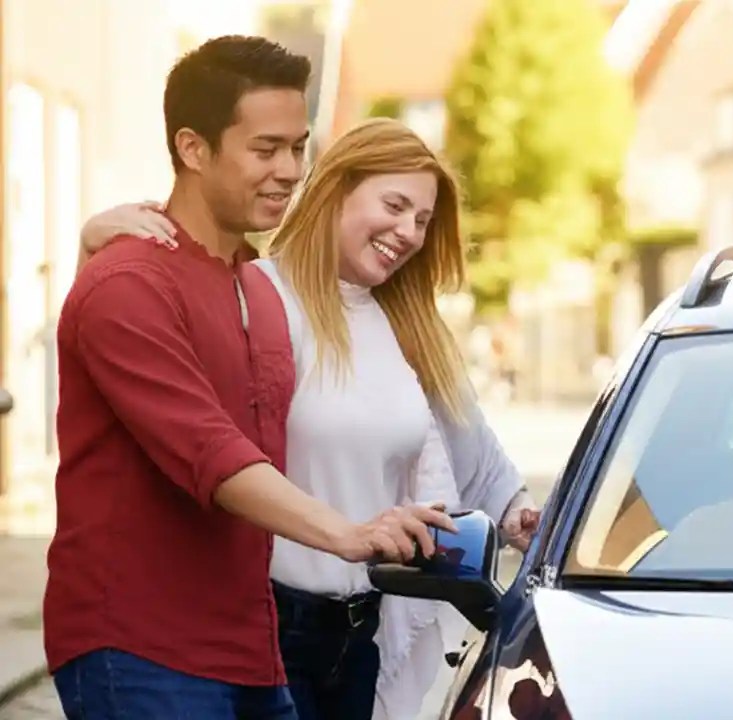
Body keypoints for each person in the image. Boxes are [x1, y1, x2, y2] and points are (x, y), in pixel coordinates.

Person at [48, 36, 456, 720]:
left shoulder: (258, 293)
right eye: (265, 149)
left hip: (250, 649)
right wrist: (346, 532)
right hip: (140, 647)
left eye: (298, 148)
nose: (290, 170)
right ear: (194, 148)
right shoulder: (127, 284)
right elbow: (210, 450)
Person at [80, 119, 541, 719]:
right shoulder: (247, 296)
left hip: (357, 638)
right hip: (267, 631)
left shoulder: (407, 328)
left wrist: (518, 514)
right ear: (336, 189)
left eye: (422, 221)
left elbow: (475, 452)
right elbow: (143, 387)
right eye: (394, 205)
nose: (406, 232)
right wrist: (93, 249)